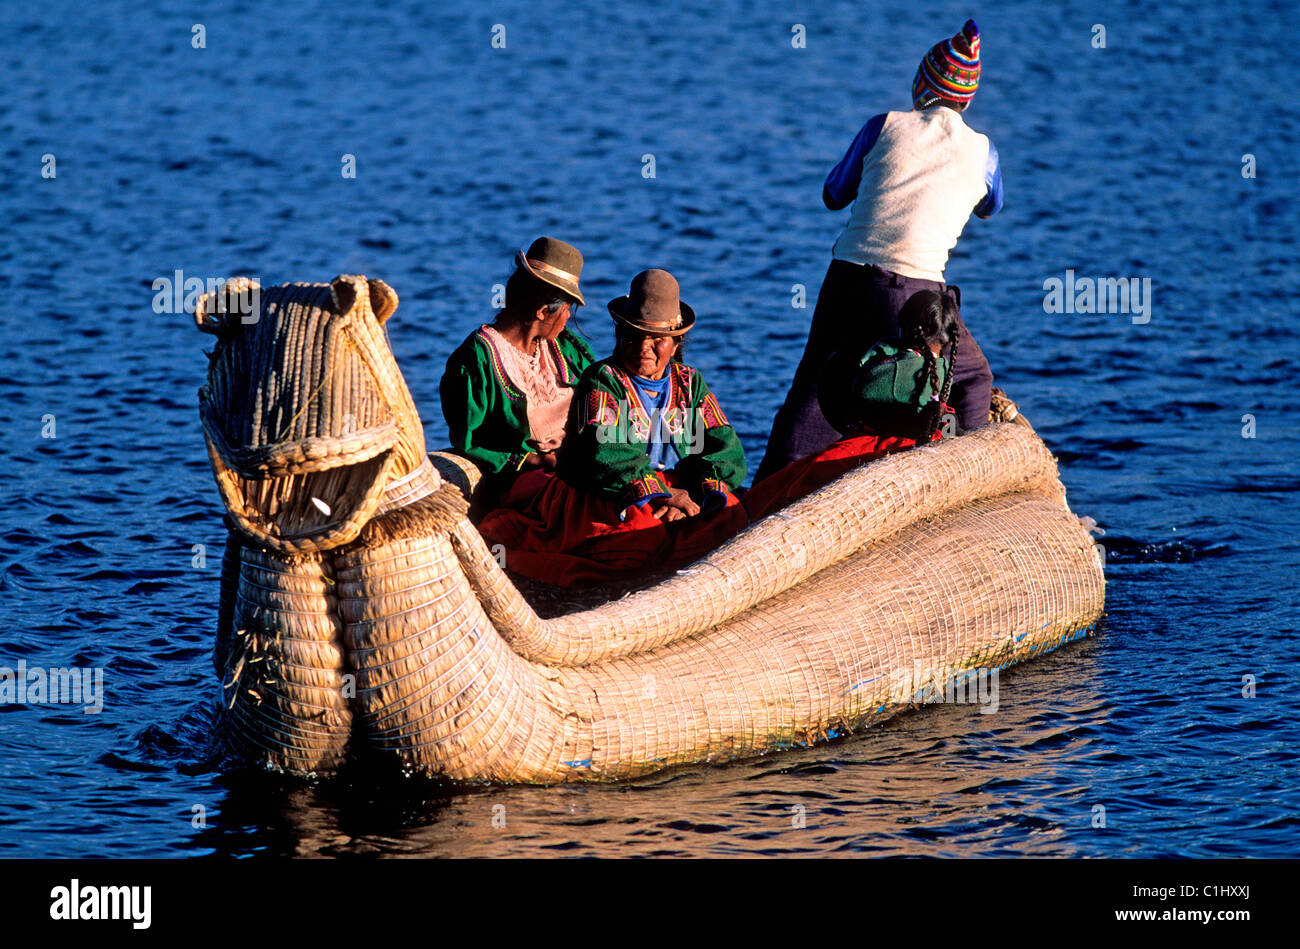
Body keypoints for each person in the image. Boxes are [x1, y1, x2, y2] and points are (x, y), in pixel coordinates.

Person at [755, 18, 1001, 483]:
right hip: (916, 296)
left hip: (847, 279)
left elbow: (833, 194)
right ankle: (974, 479)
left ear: (920, 86)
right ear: (966, 99)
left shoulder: (883, 126)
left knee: (815, 385)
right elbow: (992, 205)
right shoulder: (983, 151)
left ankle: (769, 491)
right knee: (969, 377)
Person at [479, 269, 747, 587]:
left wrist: (695, 495)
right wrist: (661, 495)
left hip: (677, 491)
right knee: (637, 541)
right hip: (607, 494)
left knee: (731, 515)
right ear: (619, 335)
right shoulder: (603, 379)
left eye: (656, 339)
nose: (643, 347)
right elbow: (606, 453)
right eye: (632, 335)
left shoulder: (689, 383)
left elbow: (723, 445)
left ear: (675, 343)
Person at [745, 289, 958, 521]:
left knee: (792, 485)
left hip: (877, 446)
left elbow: (865, 388)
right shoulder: (944, 369)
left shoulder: (897, 368)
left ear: (906, 327)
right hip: (920, 441)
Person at [440, 237, 594, 506]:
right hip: (530, 482)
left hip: (576, 465)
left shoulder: (566, 349)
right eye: (568, 308)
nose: (568, 317)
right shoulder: (477, 360)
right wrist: (527, 459)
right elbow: (468, 438)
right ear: (544, 312)